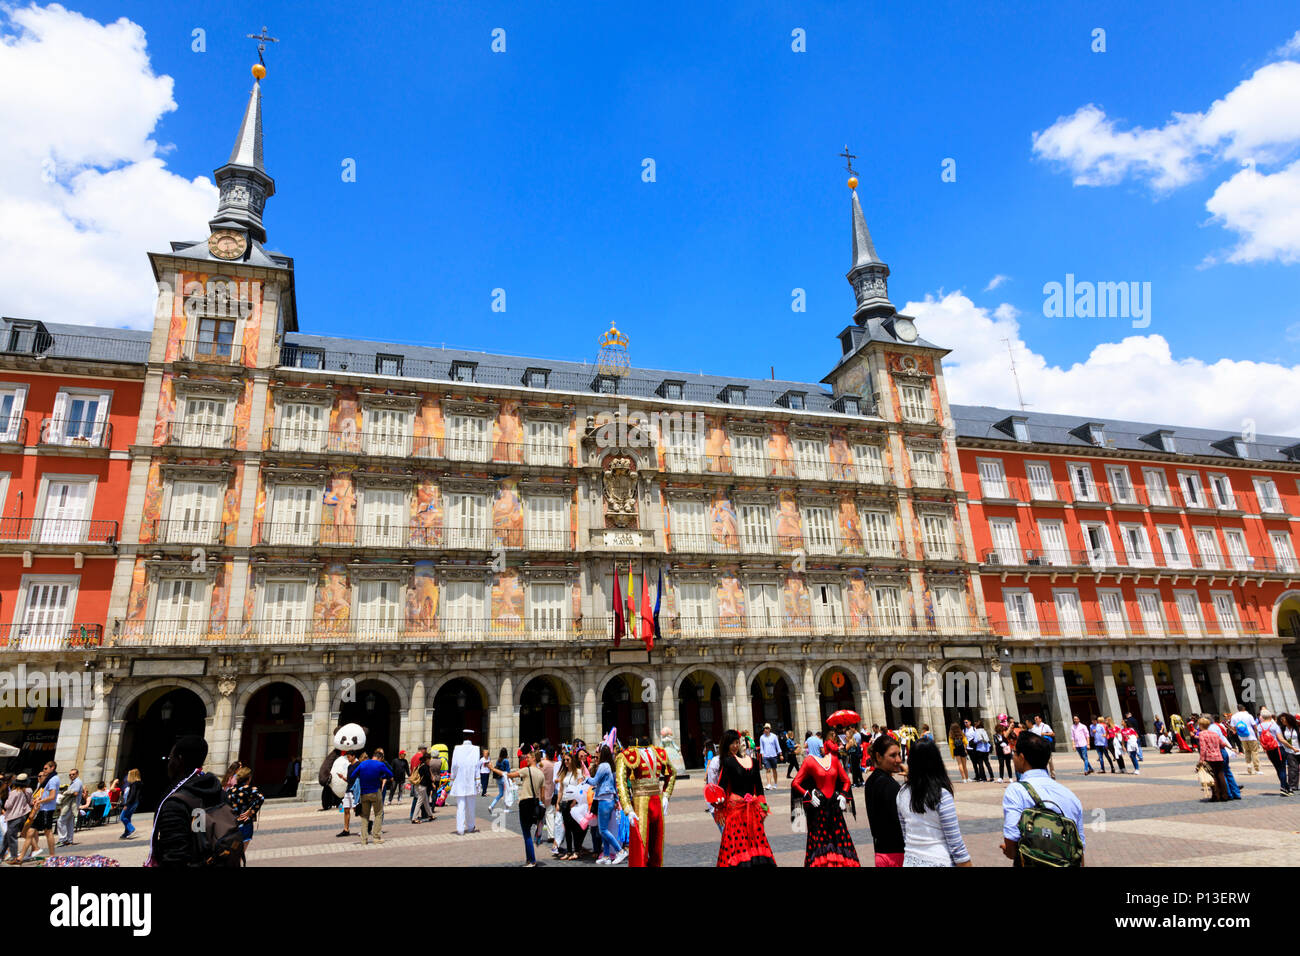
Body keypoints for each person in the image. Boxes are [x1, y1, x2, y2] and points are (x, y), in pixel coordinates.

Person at [1001, 729, 1086, 867]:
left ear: (1022, 758)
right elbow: (1079, 846)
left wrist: (1009, 851)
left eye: (1014, 753)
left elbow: (1011, 839)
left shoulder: (1016, 790)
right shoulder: (1070, 795)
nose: (1013, 757)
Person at [148, 735, 230, 868]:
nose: (169, 763)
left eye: (170, 758)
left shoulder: (177, 803)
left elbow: (174, 857)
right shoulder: (220, 794)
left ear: (179, 759)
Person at [896, 739, 971, 867]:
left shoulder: (902, 793)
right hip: (939, 860)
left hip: (910, 860)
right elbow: (955, 843)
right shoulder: (941, 795)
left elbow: (905, 834)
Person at [791, 735, 859, 867]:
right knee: (821, 840)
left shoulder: (834, 760)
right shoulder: (809, 761)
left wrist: (844, 795)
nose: (822, 748)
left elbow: (846, 780)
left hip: (834, 806)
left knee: (839, 838)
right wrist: (808, 795)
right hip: (819, 808)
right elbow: (796, 783)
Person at [710, 729, 774, 867]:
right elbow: (722, 787)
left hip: (753, 810)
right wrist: (718, 803)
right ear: (726, 745)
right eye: (732, 743)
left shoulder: (754, 762)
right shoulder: (727, 762)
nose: (735, 746)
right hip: (736, 812)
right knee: (738, 846)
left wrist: (763, 806)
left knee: (756, 843)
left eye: (737, 742)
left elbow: (759, 787)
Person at [865, 734, 906, 866]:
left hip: (881, 852)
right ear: (878, 757)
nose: (899, 760)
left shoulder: (871, 780)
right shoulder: (889, 785)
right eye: (893, 755)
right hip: (896, 854)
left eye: (899, 754)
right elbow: (903, 819)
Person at [504, 749, 547, 867]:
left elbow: (510, 775)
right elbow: (543, 795)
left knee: (526, 833)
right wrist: (544, 807)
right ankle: (529, 860)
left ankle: (532, 860)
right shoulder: (541, 773)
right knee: (527, 832)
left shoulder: (527, 770)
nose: (526, 759)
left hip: (525, 803)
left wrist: (495, 770)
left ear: (533, 758)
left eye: (528, 757)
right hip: (535, 803)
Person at [17, 761, 59, 864]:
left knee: (48, 832)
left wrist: (40, 801)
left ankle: (52, 855)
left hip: (47, 810)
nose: (44, 771)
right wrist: (39, 799)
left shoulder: (53, 779)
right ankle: (20, 858)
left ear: (52, 768)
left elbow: (52, 796)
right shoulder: (49, 779)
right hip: (42, 809)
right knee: (30, 832)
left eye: (45, 769)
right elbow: (46, 794)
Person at [347, 750, 392, 845]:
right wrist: (381, 775)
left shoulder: (363, 764)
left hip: (364, 793)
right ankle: (376, 838)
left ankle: (364, 839)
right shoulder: (380, 765)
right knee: (378, 814)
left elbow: (353, 775)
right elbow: (390, 774)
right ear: (380, 758)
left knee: (365, 816)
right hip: (375, 792)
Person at [589, 745, 625, 864]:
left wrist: (585, 779)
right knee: (605, 829)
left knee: (603, 830)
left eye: (598, 753)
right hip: (609, 799)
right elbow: (614, 786)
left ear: (601, 754)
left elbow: (594, 781)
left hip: (604, 800)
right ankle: (606, 856)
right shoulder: (611, 766)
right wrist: (615, 800)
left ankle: (620, 851)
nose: (596, 756)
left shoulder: (603, 766)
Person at [556, 750, 590, 860]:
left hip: (574, 803)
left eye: (567, 760)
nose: (565, 762)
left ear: (572, 761)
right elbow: (561, 790)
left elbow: (580, 788)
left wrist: (575, 801)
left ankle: (577, 851)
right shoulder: (563, 773)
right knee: (567, 828)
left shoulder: (578, 772)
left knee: (575, 828)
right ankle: (568, 851)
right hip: (565, 802)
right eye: (564, 760)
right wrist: (558, 802)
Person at [449, 729, 481, 835]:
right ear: (471, 737)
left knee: (460, 807)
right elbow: (477, 767)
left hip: (460, 781)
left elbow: (454, 766)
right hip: (470, 781)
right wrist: (478, 782)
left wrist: (452, 780)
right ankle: (471, 826)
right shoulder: (476, 749)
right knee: (471, 806)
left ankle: (460, 829)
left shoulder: (457, 749)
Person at [225, 766, 265, 847]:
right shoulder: (251, 789)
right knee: (241, 852)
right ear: (249, 778)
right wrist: (251, 811)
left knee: (234, 852)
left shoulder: (230, 790)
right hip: (245, 823)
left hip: (232, 824)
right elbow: (261, 797)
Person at [1198, 716, 1229, 801]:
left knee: (1212, 777)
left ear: (1201, 725)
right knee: (1221, 775)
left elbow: (1203, 748)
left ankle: (1216, 796)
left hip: (1209, 757)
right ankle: (1225, 795)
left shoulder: (1201, 734)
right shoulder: (1214, 733)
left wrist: (1201, 760)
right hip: (1219, 756)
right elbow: (1222, 744)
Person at [2, 774, 31, 863]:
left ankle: (14, 858)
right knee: (7, 836)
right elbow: (30, 801)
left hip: (13, 817)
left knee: (12, 837)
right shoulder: (29, 791)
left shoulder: (14, 792)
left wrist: (6, 801)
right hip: (22, 816)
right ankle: (1, 853)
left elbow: (8, 805)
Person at [1256, 709, 1287, 792]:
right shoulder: (1274, 725)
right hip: (1278, 748)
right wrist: (1290, 746)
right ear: (1270, 716)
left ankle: (1286, 787)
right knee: (1282, 768)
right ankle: (1283, 787)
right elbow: (1280, 739)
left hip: (1269, 750)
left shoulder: (1259, 726)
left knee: (1277, 768)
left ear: (1261, 717)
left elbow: (1260, 739)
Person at [1275, 712, 1300, 795]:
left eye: (1283, 719)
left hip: (1299, 749)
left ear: (1288, 719)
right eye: (1281, 720)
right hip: (1290, 751)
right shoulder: (1282, 729)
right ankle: (1293, 785)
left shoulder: (1297, 727)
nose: (1282, 721)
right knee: (1292, 768)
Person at [1230, 706, 1260, 775]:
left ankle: (1248, 765)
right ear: (1244, 708)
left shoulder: (1234, 716)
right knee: (1254, 751)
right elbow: (1254, 725)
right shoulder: (1248, 715)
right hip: (1251, 735)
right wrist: (1257, 733)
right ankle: (1257, 768)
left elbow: (1233, 727)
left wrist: (1237, 731)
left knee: (1247, 751)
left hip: (1242, 737)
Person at [758, 724, 781, 790]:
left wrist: (780, 753)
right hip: (766, 755)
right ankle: (769, 784)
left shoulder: (774, 736)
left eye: (767, 728)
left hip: (773, 755)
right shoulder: (762, 737)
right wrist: (762, 754)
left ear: (770, 729)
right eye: (765, 728)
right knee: (768, 770)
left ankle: (775, 783)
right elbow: (761, 747)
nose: (766, 729)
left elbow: (777, 745)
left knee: (774, 769)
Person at [119, 768, 141, 839]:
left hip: (131, 802)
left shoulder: (134, 784)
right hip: (135, 802)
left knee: (122, 817)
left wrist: (126, 804)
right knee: (127, 817)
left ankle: (131, 829)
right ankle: (126, 833)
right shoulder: (139, 783)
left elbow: (132, 795)